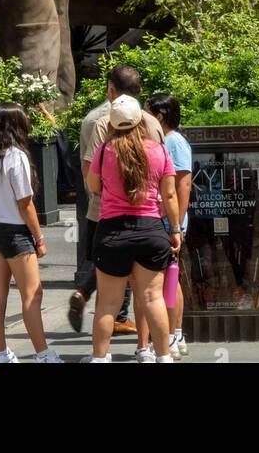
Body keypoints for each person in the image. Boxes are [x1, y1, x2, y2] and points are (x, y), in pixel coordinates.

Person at [68, 64, 164, 342]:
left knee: (108, 287)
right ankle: (149, 350)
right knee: (149, 293)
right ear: (141, 91)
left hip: (105, 215)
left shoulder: (95, 121)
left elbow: (90, 176)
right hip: (149, 217)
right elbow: (166, 183)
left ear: (111, 90)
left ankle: (101, 353)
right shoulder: (154, 124)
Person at [87, 95, 181, 364]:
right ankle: (162, 356)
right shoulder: (159, 150)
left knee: (107, 303)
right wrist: (174, 229)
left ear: (112, 124)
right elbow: (171, 195)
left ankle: (100, 358)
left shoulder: (105, 151)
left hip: (112, 232)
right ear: (142, 120)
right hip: (150, 230)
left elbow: (92, 186)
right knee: (153, 299)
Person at [0, 102, 63, 363]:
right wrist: (39, 238)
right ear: (16, 125)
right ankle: (43, 354)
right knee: (33, 294)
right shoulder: (17, 157)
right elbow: (25, 204)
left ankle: (2, 353)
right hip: (14, 231)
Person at [145, 93, 192, 360]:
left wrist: (176, 224)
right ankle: (176, 333)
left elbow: (183, 185)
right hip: (164, 221)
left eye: (147, 111)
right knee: (169, 277)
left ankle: (173, 334)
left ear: (159, 117)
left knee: (169, 278)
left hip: (168, 222)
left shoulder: (174, 142)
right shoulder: (164, 141)